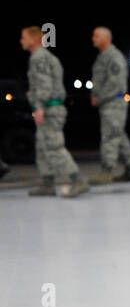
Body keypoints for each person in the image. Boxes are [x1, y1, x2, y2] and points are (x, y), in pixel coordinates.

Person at [20, 26, 86, 198]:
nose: (21, 41)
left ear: (34, 40)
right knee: (42, 146)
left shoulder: (39, 58)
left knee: (53, 145)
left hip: (49, 107)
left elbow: (44, 84)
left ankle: (77, 179)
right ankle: (47, 182)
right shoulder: (43, 57)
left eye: (24, 37)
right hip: (48, 106)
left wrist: (39, 106)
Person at [89, 27, 130, 184]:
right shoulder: (103, 57)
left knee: (110, 136)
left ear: (106, 38)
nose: (93, 38)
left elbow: (115, 83)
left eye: (96, 36)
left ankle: (106, 171)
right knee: (118, 135)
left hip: (113, 101)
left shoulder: (114, 56)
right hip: (109, 102)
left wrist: (99, 97)